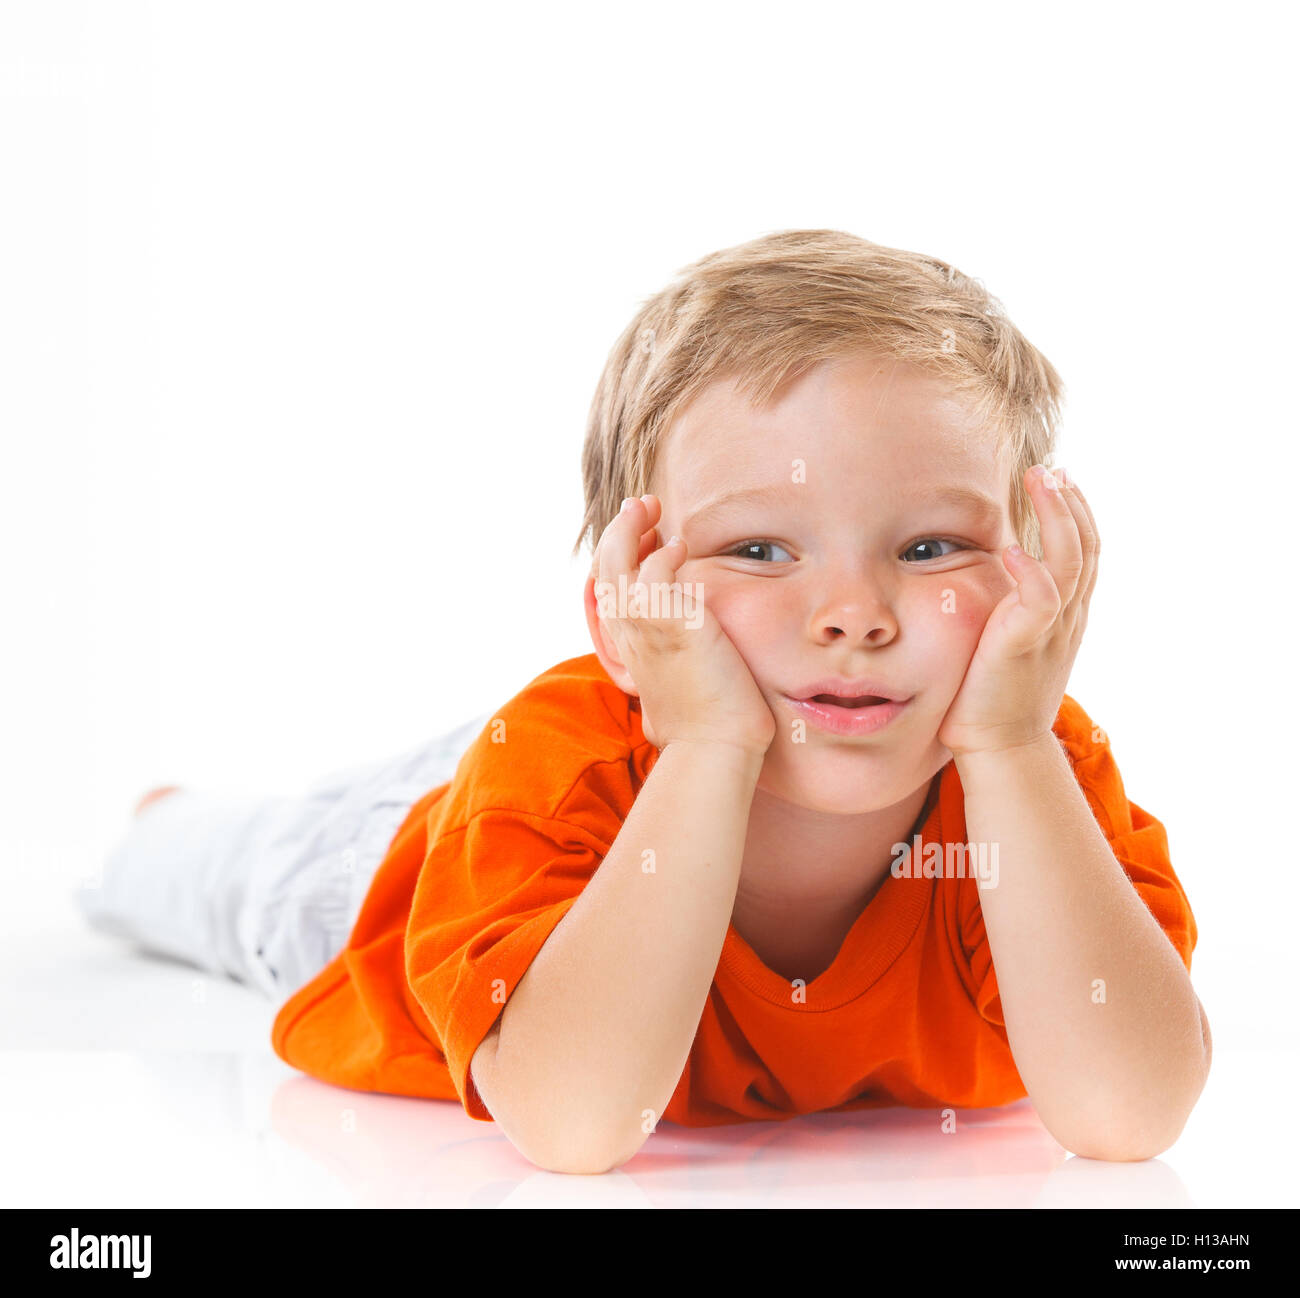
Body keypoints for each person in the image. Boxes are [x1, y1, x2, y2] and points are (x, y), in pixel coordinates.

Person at [78, 228, 1210, 1176]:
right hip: (391, 868)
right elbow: (575, 1124)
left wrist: (1011, 746)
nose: (853, 614)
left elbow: (1130, 1115)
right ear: (628, 605)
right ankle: (164, 817)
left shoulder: (1031, 765)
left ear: (1038, 572)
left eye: (929, 545)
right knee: (229, 868)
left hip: (600, 754)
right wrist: (711, 738)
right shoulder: (557, 768)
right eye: (761, 547)